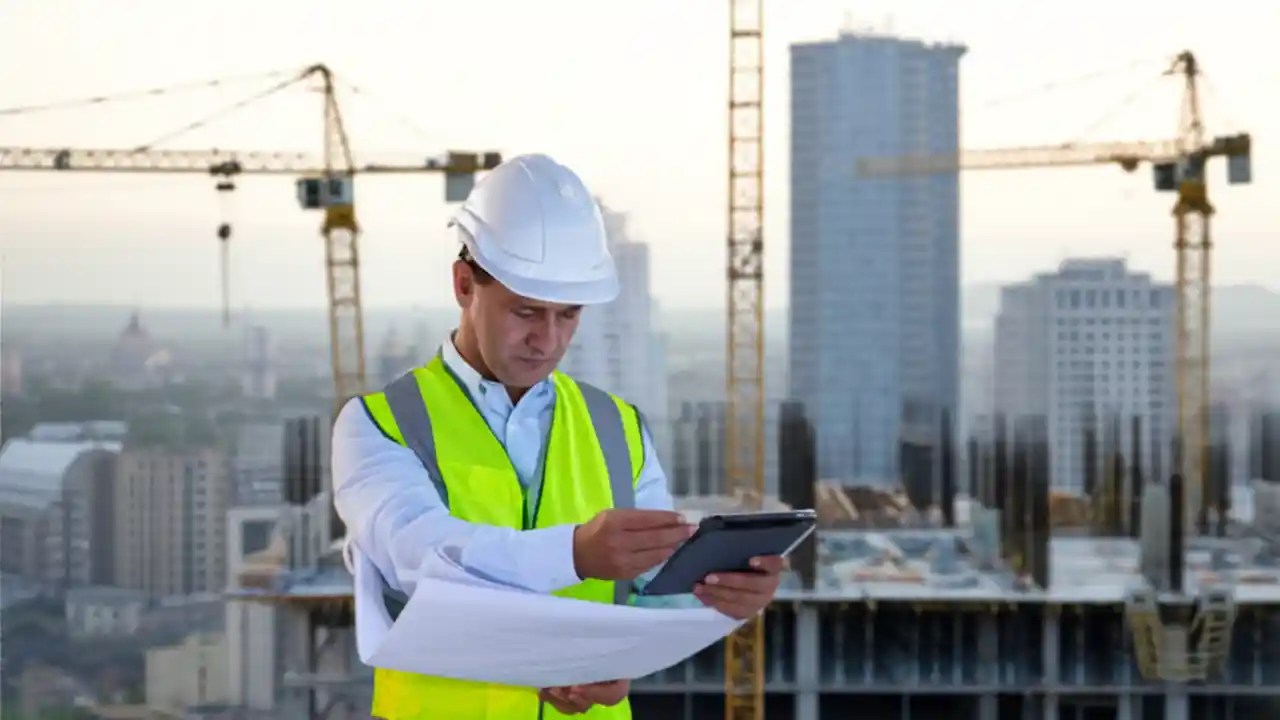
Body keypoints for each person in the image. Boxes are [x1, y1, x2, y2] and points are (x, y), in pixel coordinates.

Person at [331, 153, 785, 720]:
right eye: (526, 312)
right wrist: (575, 553)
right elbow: (422, 558)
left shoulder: (618, 426)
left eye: (568, 315)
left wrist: (724, 595)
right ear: (464, 284)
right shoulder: (378, 423)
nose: (546, 340)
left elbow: (654, 588)